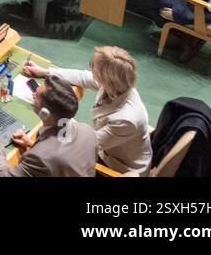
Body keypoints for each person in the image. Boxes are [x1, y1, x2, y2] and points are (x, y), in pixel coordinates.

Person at [22, 46, 151, 174]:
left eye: (92, 65)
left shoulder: (126, 119)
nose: (90, 67)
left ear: (106, 76)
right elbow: (82, 76)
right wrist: (45, 72)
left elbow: (87, 145)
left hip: (116, 167)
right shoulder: (117, 85)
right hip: (103, 146)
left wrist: (35, 143)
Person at [0, 75, 97, 177]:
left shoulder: (40, 158)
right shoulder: (87, 130)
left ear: (44, 113)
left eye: (37, 95)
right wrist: (32, 144)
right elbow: (64, 158)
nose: (33, 94)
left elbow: (3, 175)